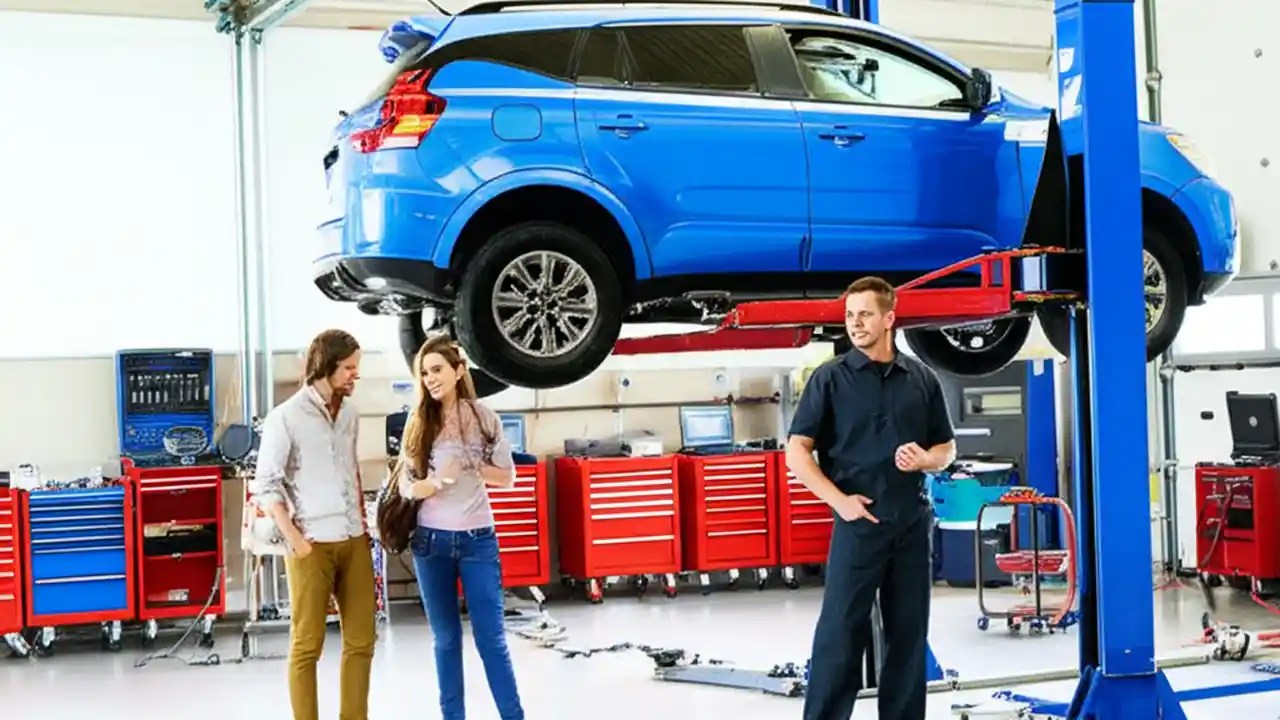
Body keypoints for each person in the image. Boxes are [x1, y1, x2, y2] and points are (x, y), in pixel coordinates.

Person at [786, 276, 957, 720]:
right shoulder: (830, 378)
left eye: (864, 314)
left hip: (910, 523)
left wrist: (926, 459)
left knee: (907, 636)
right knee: (841, 635)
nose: (855, 323)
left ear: (889, 319)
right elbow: (796, 452)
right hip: (858, 521)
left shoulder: (922, 378)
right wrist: (839, 501)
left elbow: (946, 448)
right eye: (849, 315)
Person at [396, 333, 524, 720]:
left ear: (458, 370)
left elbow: (507, 478)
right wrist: (434, 483)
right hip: (429, 544)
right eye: (424, 373)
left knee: (491, 640)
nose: (430, 379)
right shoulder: (419, 421)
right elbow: (405, 486)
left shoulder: (485, 418)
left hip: (477, 542)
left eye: (437, 370)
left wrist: (469, 466)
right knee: (446, 640)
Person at [251, 329, 376, 720]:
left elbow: (350, 473)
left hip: (353, 537)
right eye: (349, 368)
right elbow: (266, 484)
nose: (356, 375)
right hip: (310, 543)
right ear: (326, 366)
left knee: (362, 641)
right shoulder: (285, 417)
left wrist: (365, 526)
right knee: (307, 645)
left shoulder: (351, 414)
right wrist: (296, 540)